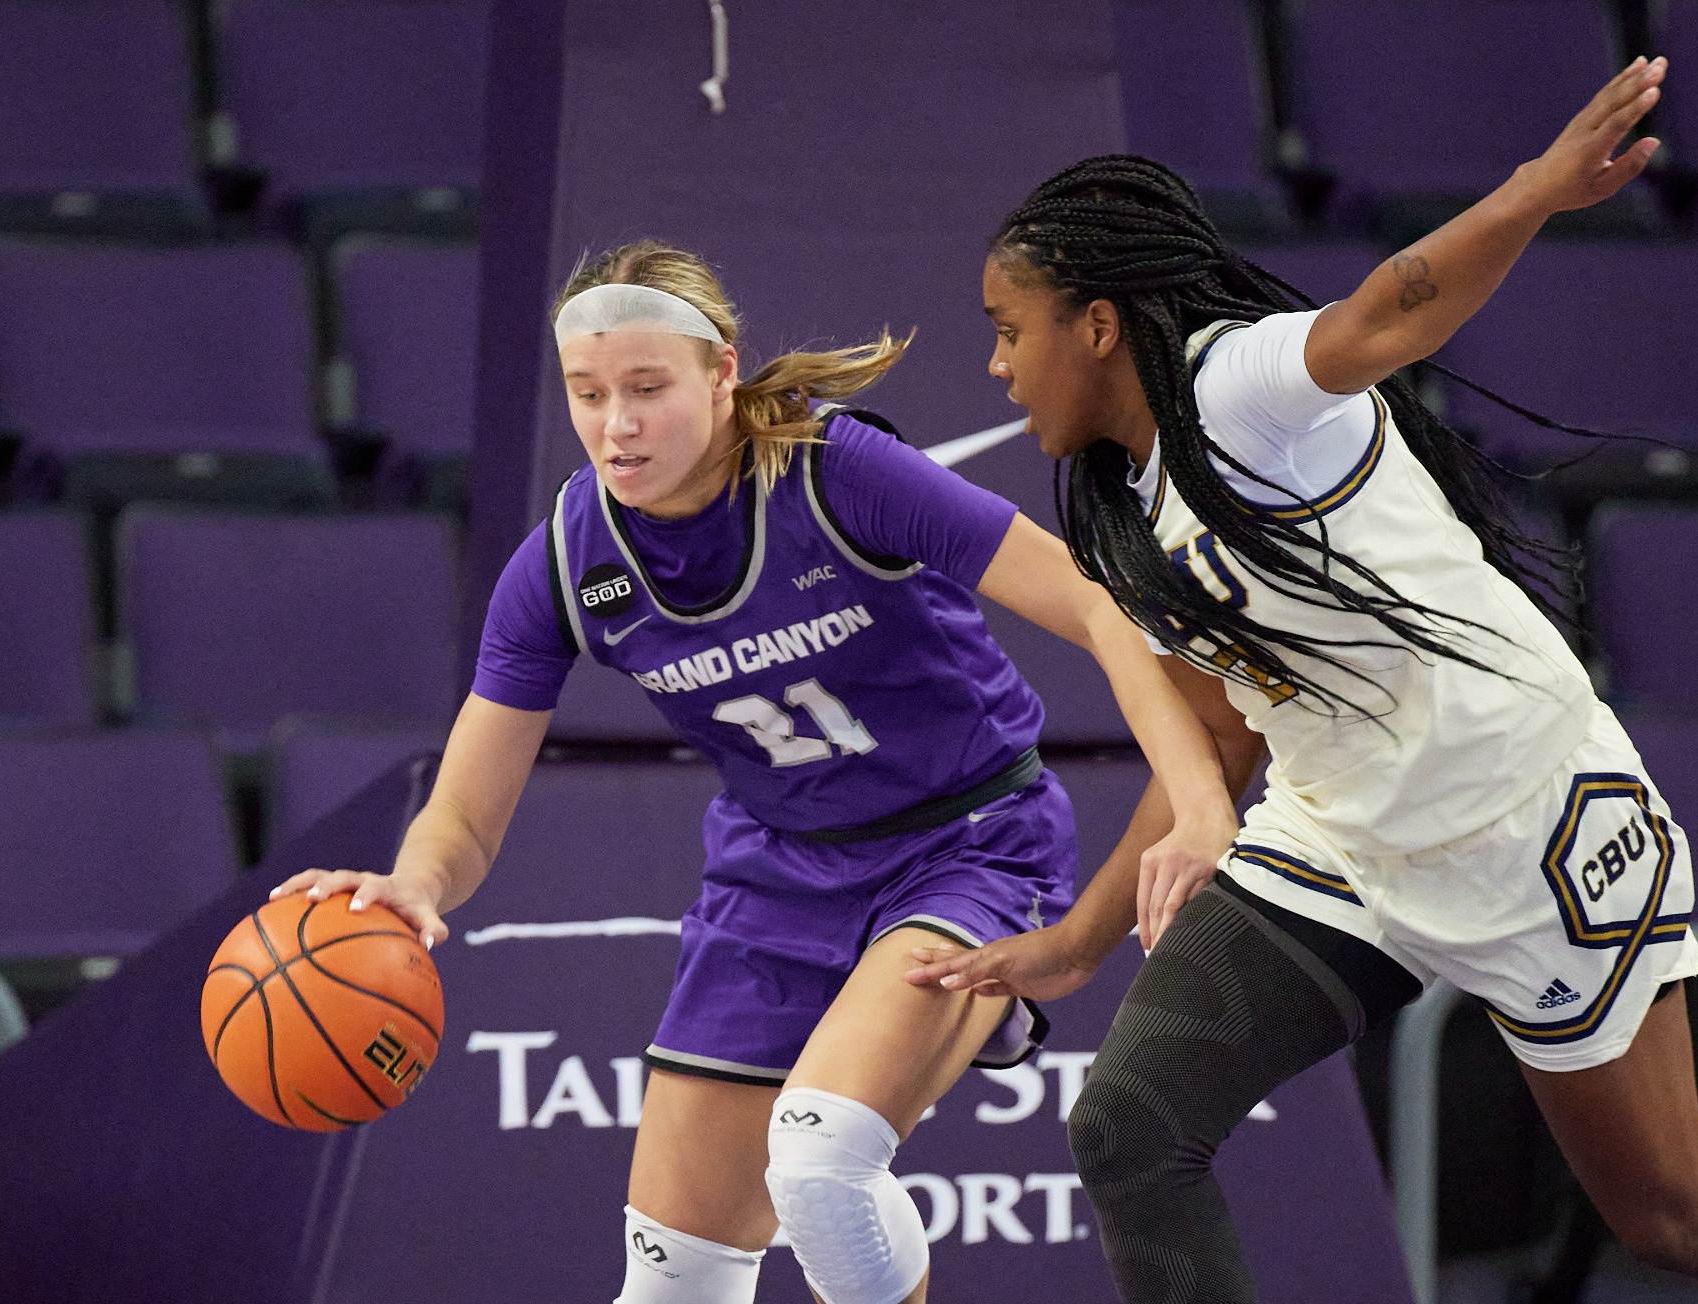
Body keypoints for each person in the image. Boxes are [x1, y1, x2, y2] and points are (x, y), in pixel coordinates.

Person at [909, 57, 1698, 1304]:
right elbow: (1214, 743)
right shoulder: (1122, 504)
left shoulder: (1237, 386)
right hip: (1343, 846)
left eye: (1006, 329)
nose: (993, 367)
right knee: (1127, 1126)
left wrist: (1533, 190)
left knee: (1671, 1209)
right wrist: (1071, 944)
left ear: (1094, 323)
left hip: (1523, 821)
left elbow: (1389, 309)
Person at [270, 240, 1236, 1304]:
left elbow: (1098, 608)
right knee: (671, 1283)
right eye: (588, 395)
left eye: (647, 388)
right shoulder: (565, 560)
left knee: (819, 1169)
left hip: (965, 846)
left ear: (721, 371)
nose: (616, 425)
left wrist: (1196, 804)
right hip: (778, 877)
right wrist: (416, 884)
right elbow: (465, 809)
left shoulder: (838, 475)